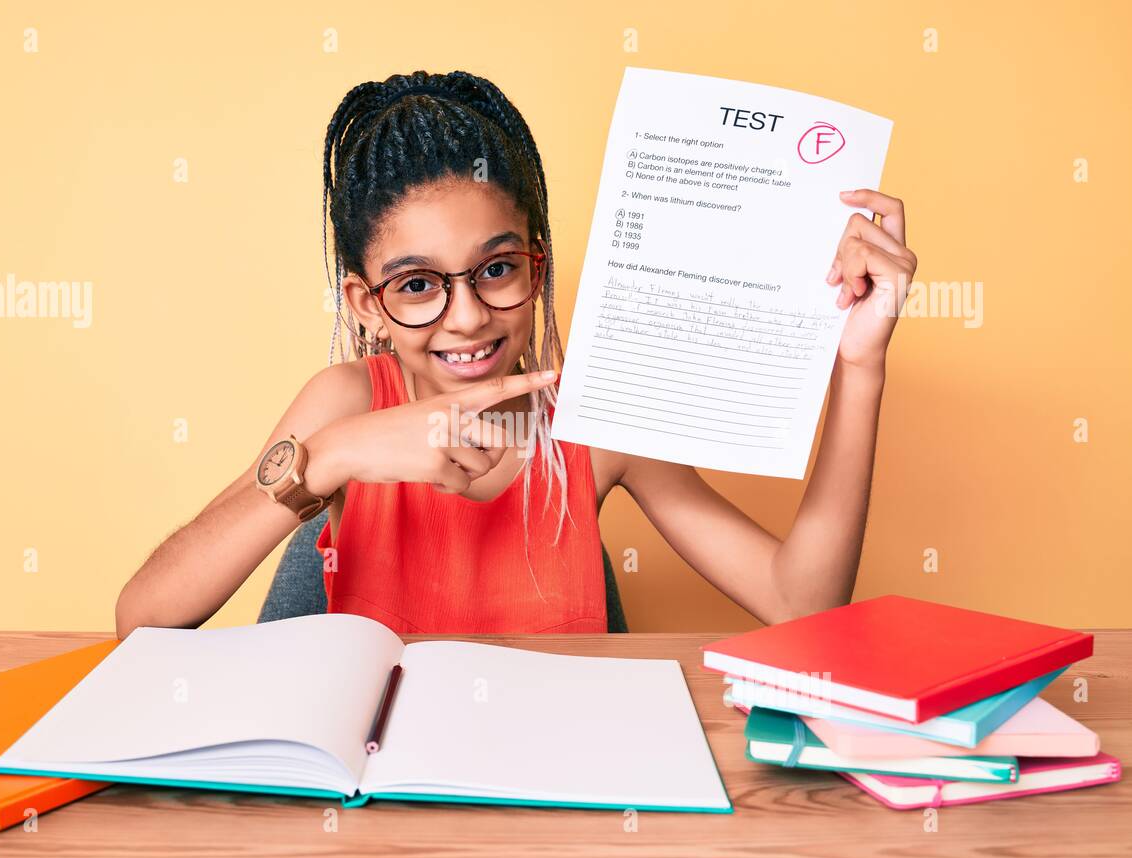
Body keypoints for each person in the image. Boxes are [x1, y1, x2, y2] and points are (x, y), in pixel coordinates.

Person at [114, 69, 918, 638]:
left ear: (538, 260)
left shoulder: (597, 421)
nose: (467, 318)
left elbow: (803, 604)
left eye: (497, 269)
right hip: (375, 820)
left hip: (550, 808)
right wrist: (330, 456)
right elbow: (143, 616)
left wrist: (861, 366)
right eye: (419, 285)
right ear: (367, 306)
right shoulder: (347, 403)